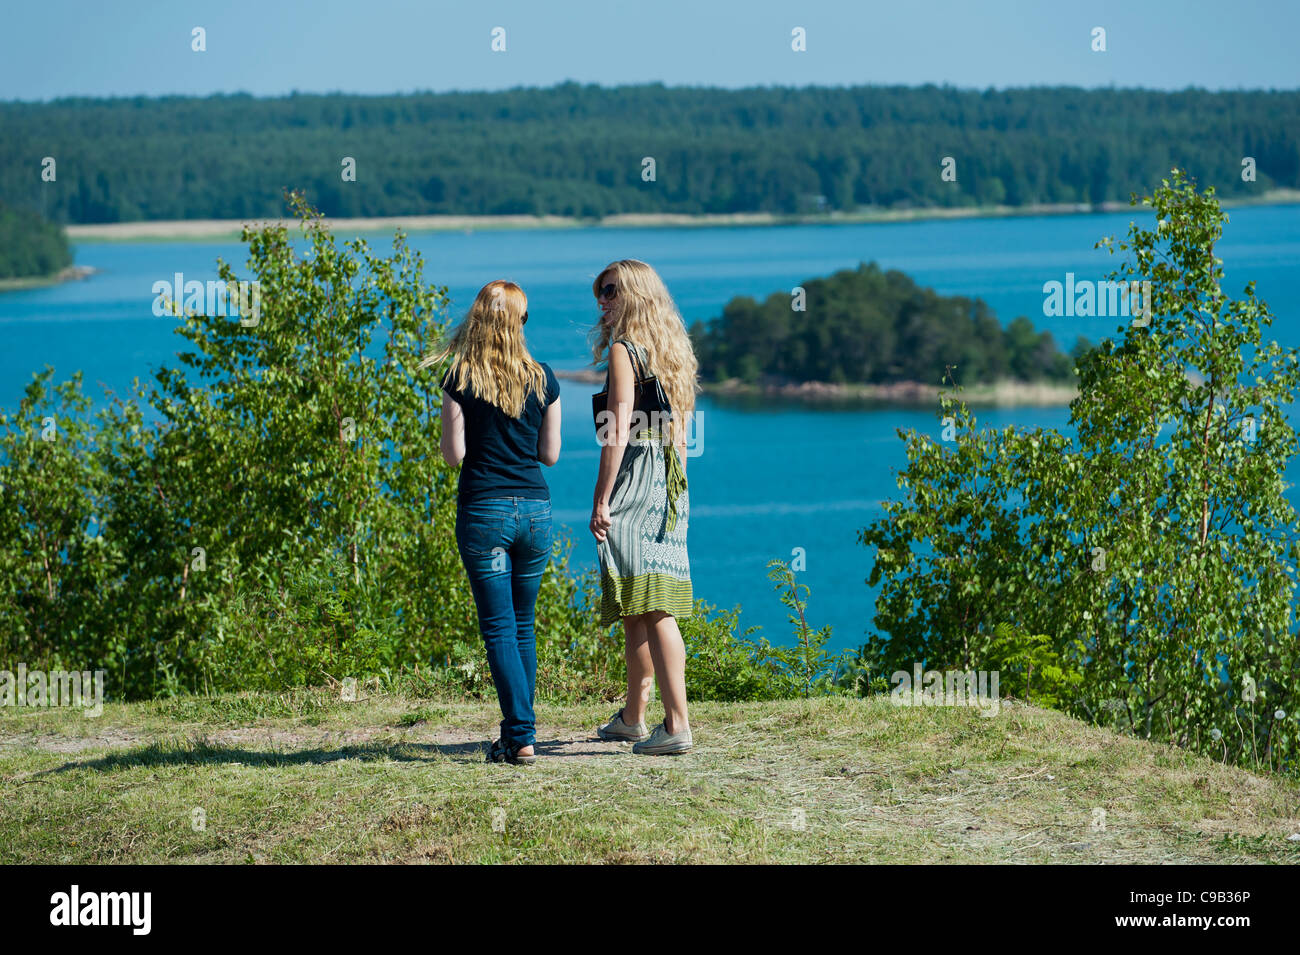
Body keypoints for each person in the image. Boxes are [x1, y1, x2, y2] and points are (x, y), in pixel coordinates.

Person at [420, 280, 561, 765]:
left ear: (477, 322)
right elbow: (551, 454)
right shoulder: (544, 378)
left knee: (499, 626)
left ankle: (520, 736)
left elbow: (453, 456)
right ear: (519, 322)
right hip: (536, 513)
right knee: (523, 625)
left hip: (484, 511)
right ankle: (520, 731)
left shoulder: (460, 377)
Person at [588, 259, 698, 755]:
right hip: (671, 482)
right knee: (639, 601)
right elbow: (674, 434)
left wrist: (601, 500)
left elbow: (616, 433)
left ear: (632, 295)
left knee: (653, 606)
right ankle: (634, 717)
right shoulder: (670, 352)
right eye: (600, 294)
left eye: (610, 292)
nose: (603, 303)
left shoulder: (622, 352)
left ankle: (676, 724)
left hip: (637, 478)